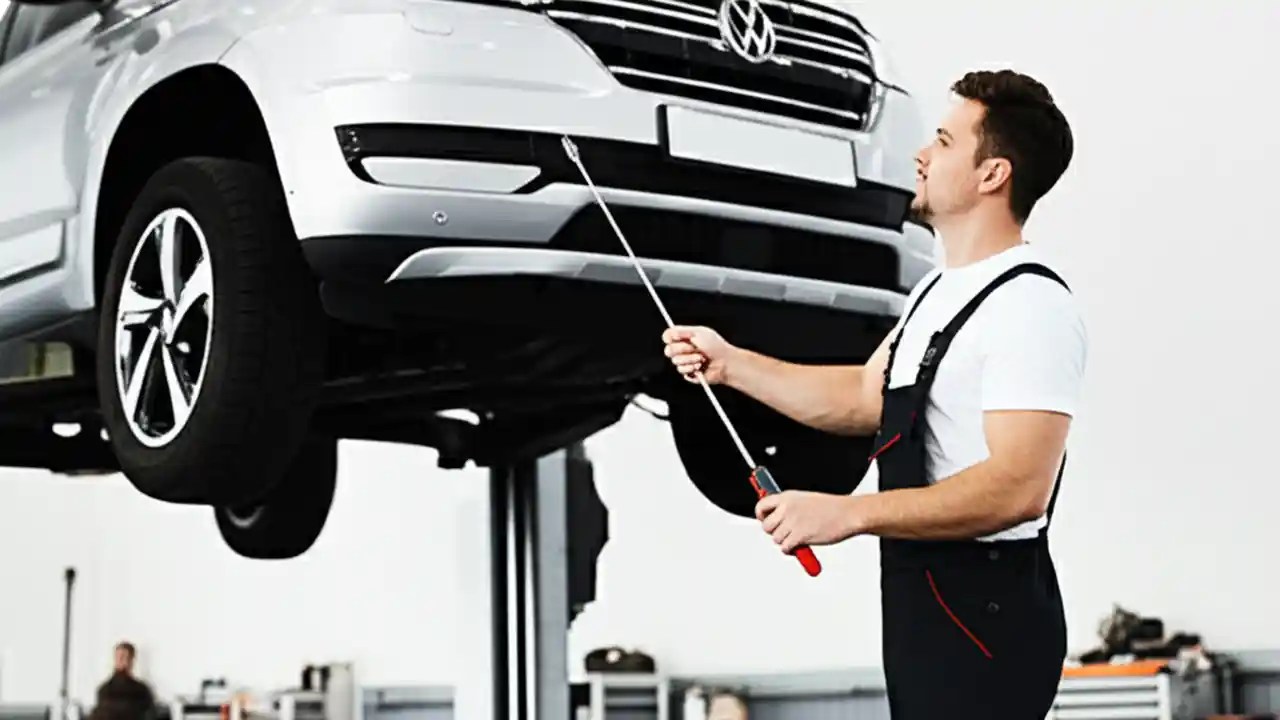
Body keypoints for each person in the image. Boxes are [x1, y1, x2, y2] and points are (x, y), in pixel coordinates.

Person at [662, 69, 1084, 719]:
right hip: (922, 602)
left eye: (943, 142)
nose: (920, 154)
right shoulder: (934, 293)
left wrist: (849, 514)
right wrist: (731, 366)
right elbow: (866, 397)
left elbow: (1017, 488)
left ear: (991, 174)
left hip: (989, 614)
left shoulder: (1030, 306)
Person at [90, 642, 156, 720]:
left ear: (131, 660)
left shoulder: (141, 690)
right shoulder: (104, 689)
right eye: (117, 657)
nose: (119, 661)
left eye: (123, 657)